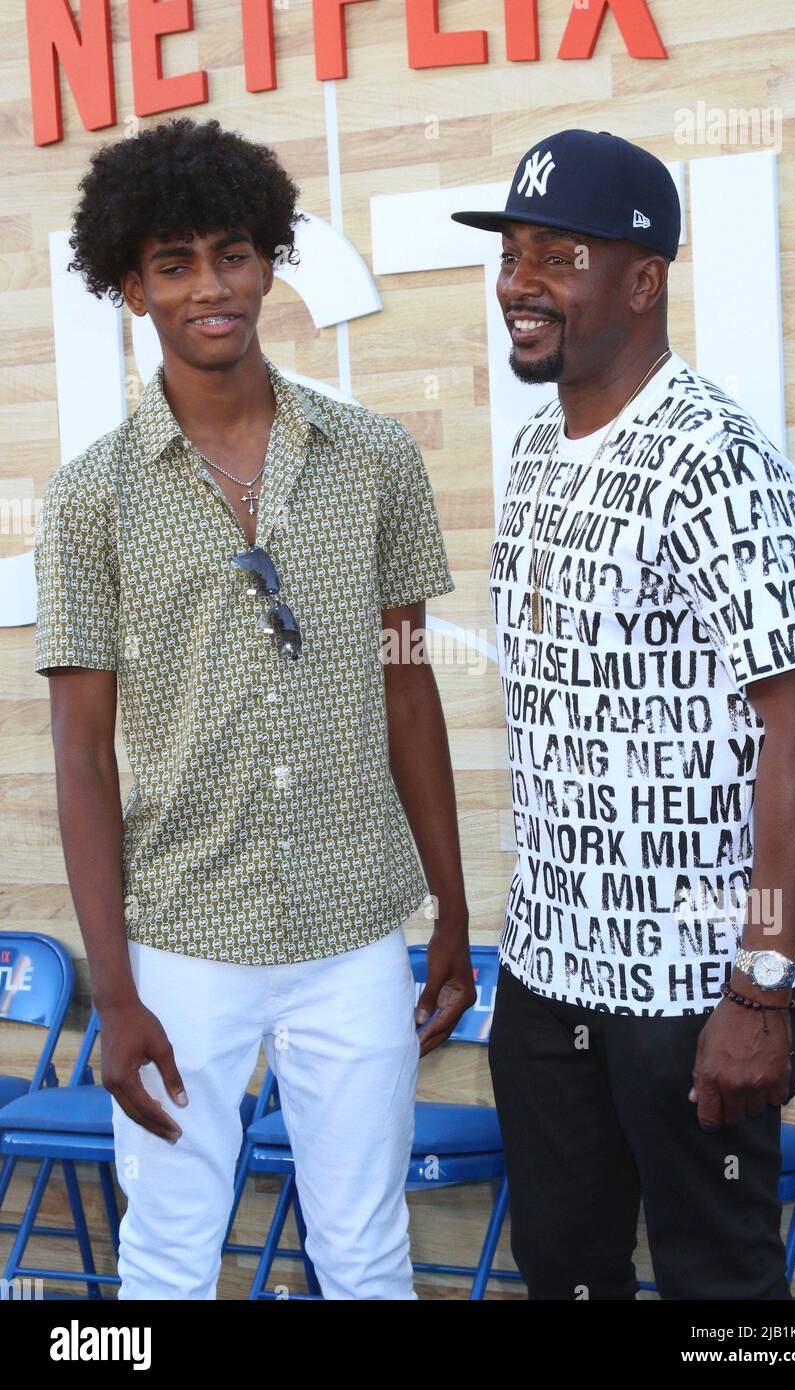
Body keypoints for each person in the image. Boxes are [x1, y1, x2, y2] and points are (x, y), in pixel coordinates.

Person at [33, 115, 474, 1300]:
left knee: (366, 1249)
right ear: (130, 285)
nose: (210, 288)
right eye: (172, 264)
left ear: (269, 259)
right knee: (170, 1261)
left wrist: (447, 905)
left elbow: (405, 683)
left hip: (351, 933)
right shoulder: (88, 502)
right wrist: (113, 992)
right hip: (179, 942)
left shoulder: (372, 455)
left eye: (232, 253)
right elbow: (79, 753)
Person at [452, 128, 795, 1300]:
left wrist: (759, 986)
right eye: (511, 253)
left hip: (696, 985)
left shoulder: (715, 461)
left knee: (716, 1284)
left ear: (640, 278)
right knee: (565, 1266)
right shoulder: (531, 451)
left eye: (554, 256)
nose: (518, 282)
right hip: (550, 967)